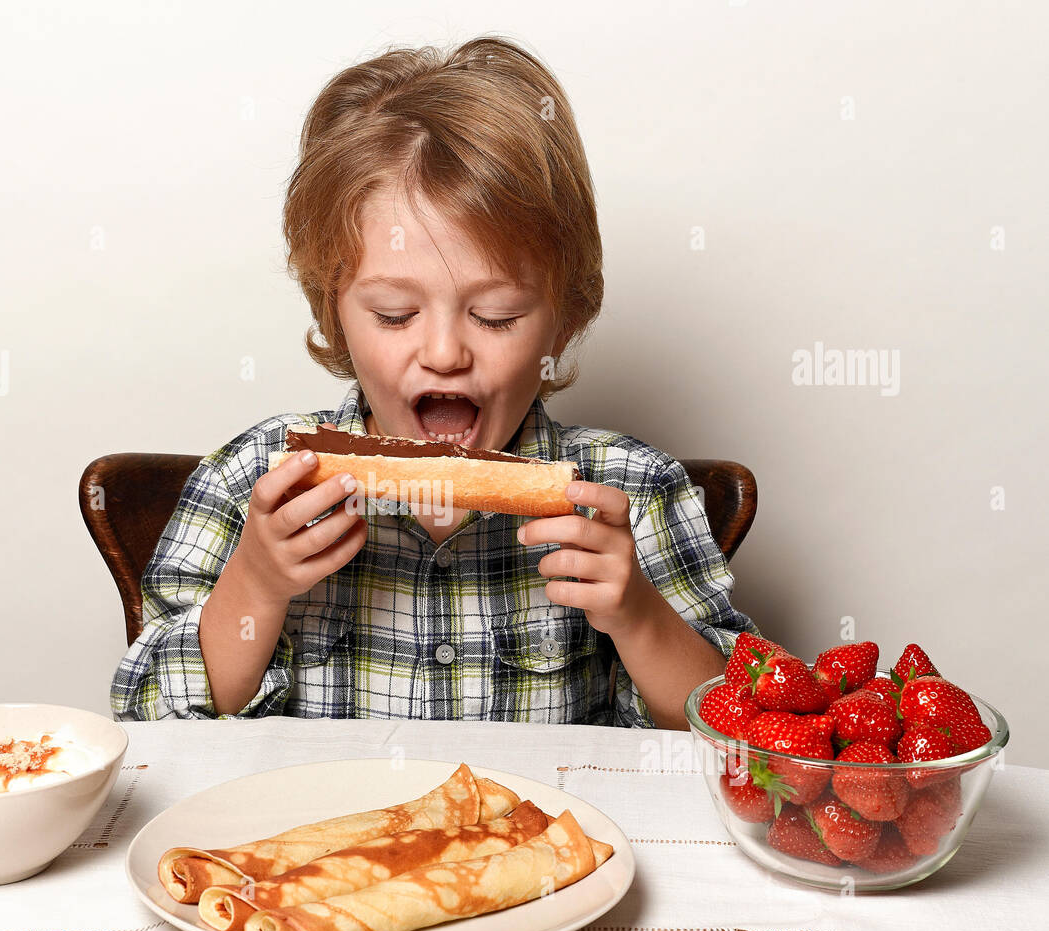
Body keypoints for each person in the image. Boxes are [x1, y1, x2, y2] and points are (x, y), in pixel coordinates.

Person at [112, 36, 758, 728]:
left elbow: (740, 739)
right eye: (394, 314)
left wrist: (638, 616)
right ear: (335, 315)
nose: (445, 353)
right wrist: (256, 586)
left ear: (562, 321)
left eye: (495, 314)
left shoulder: (635, 490)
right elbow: (145, 724)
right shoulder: (249, 483)